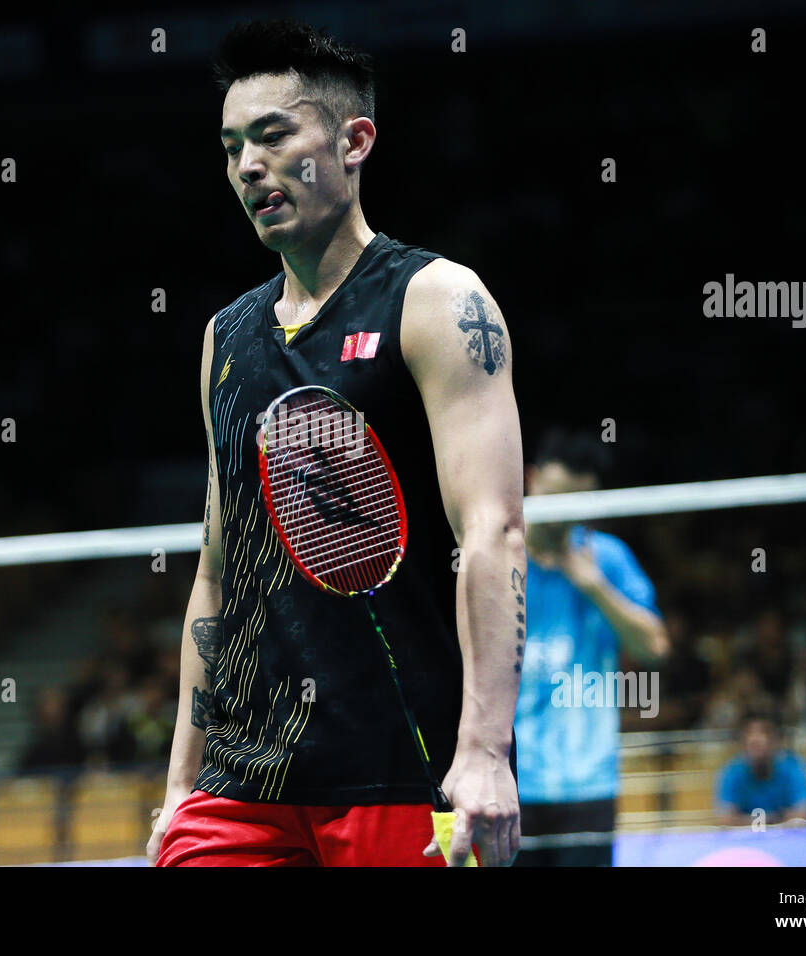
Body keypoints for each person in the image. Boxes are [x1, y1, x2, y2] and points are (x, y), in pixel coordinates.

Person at [149, 19, 525, 867]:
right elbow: (217, 570)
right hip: (242, 786)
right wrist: (180, 786)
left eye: (275, 135)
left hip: (404, 775)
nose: (249, 165)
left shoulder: (435, 302)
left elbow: (491, 532)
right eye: (232, 146)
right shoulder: (226, 336)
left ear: (355, 141)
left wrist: (487, 751)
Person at [514, 428, 669, 866]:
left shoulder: (608, 557)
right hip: (510, 780)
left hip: (588, 782)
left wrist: (595, 586)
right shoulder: (498, 559)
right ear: (532, 479)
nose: (566, 516)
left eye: (579, 505)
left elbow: (654, 648)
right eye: (559, 499)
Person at [716, 706, 806, 825]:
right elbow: (725, 819)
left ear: (776, 738)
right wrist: (773, 820)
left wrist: (750, 821)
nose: (756, 739)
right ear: (742, 740)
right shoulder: (731, 772)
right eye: (750, 733)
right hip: (749, 840)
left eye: (764, 732)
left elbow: (803, 815)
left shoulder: (795, 768)